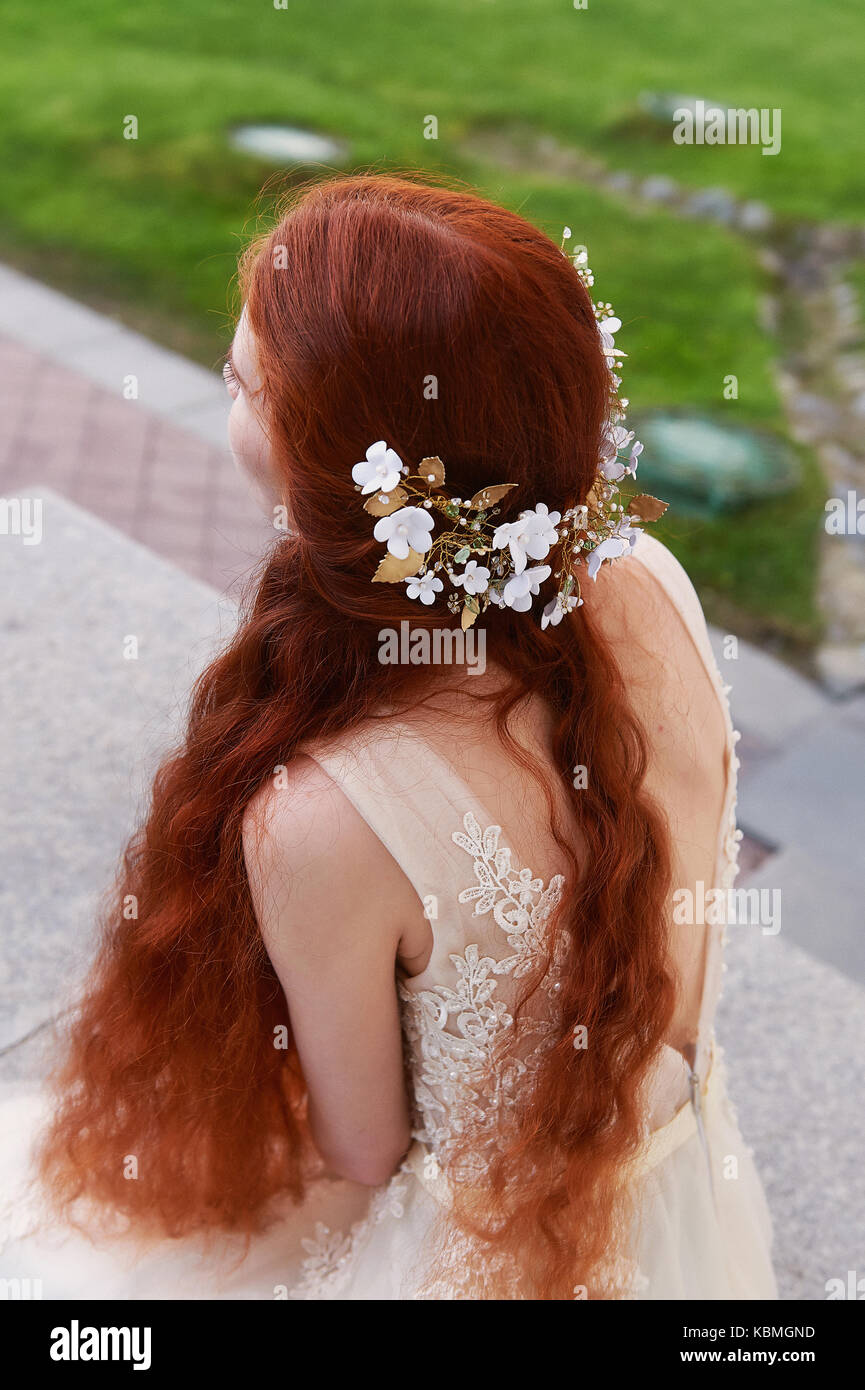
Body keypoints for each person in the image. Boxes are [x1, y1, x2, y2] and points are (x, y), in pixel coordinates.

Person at [0, 175, 777, 1299]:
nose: (227, 394)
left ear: (331, 473)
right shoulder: (652, 579)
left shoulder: (325, 816)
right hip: (682, 1197)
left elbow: (361, 1154)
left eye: (240, 382)